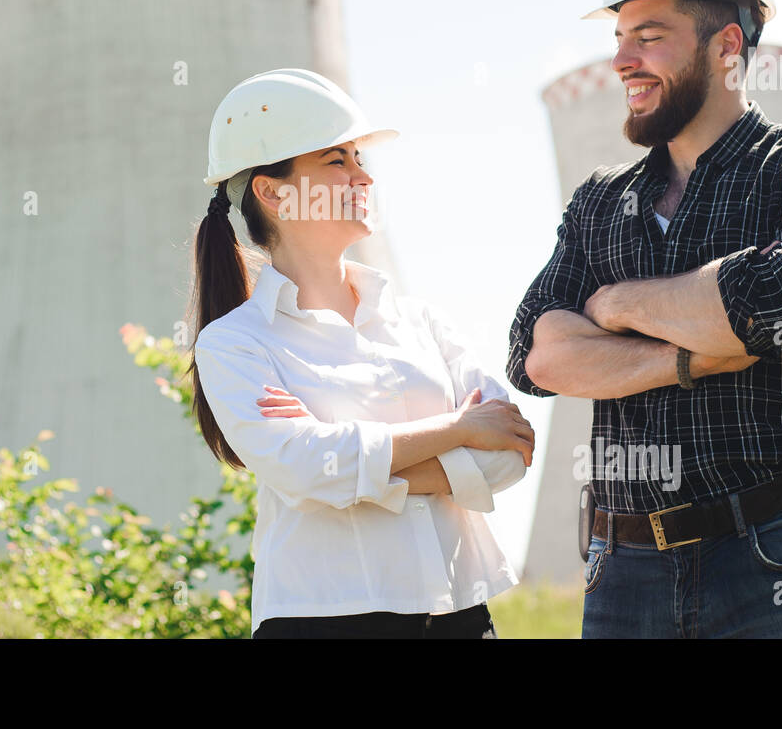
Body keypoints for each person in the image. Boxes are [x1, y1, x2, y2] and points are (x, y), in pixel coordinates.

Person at [507, 0, 782, 638]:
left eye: (648, 35)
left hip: (777, 559)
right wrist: (682, 354)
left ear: (728, 47)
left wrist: (612, 303)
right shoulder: (598, 200)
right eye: (618, 38)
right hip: (621, 573)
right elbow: (534, 353)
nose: (622, 60)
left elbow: (763, 304)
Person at [190, 67, 534, 639]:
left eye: (360, 160)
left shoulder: (422, 322)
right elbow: (302, 466)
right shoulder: (234, 343)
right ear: (273, 192)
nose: (363, 177)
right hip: (324, 619)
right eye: (337, 161)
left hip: (459, 614)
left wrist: (356, 474)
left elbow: (509, 450)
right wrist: (460, 427)